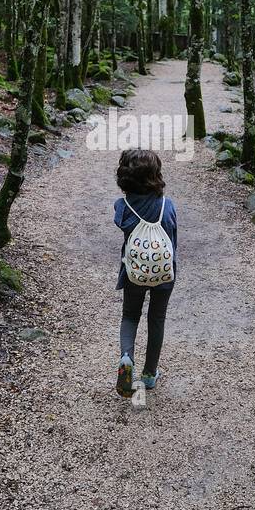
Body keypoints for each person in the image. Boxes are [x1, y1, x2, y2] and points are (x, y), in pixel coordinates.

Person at [113, 147, 177, 397]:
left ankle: (127, 358)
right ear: (155, 175)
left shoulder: (123, 206)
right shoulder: (167, 205)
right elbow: (173, 239)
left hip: (134, 271)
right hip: (163, 272)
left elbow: (121, 224)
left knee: (130, 316)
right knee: (156, 318)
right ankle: (149, 375)